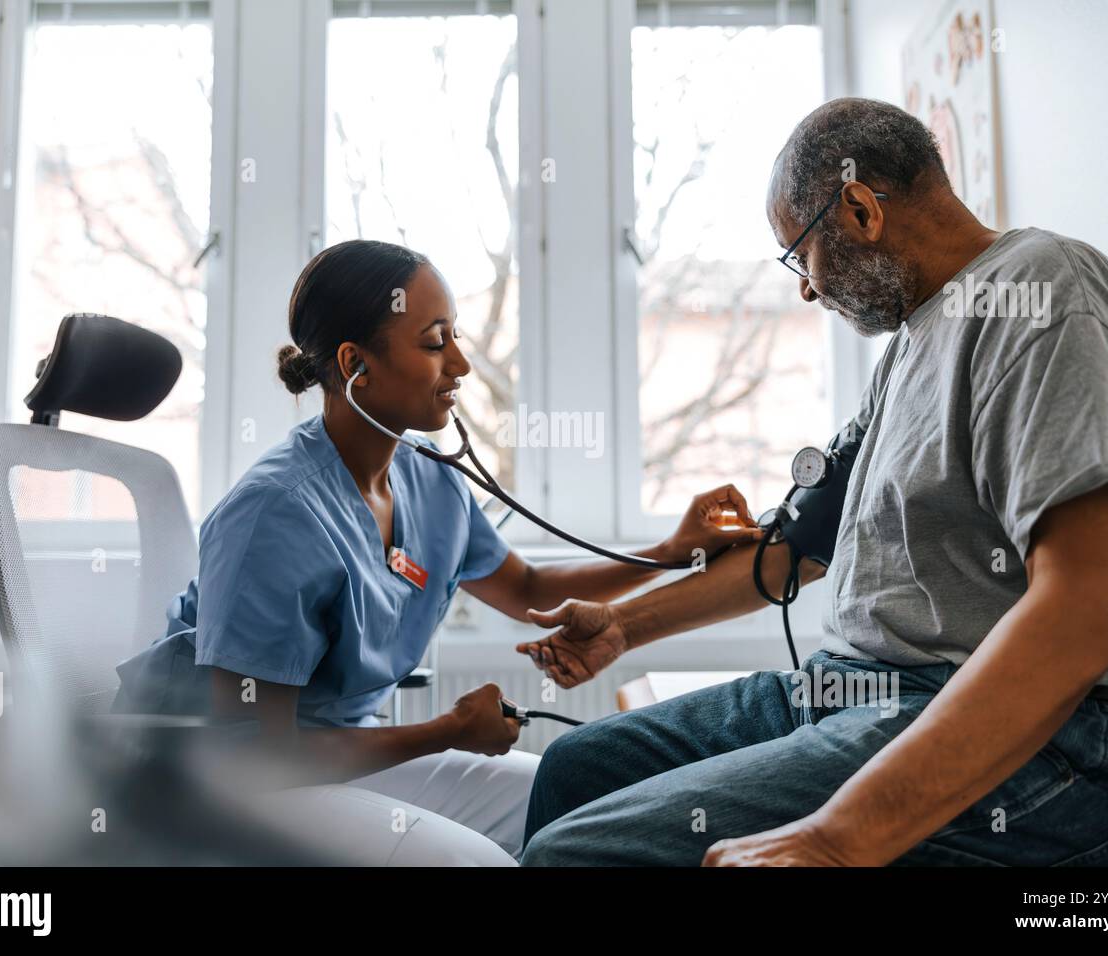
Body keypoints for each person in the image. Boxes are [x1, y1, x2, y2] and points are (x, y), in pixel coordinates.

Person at [516, 97, 1108, 867]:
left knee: (581, 856)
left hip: (1083, 742)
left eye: (798, 255)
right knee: (577, 772)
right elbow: (798, 548)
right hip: (855, 693)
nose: (805, 290)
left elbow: (1091, 613)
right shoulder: (912, 343)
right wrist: (623, 627)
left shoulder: (1041, 298)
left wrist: (836, 841)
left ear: (860, 209)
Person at [112, 238, 760, 863]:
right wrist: (449, 730)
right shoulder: (274, 514)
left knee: (584, 806)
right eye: (433, 343)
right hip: (225, 782)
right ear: (354, 365)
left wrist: (673, 551)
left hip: (339, 760)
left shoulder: (430, 478)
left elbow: (527, 589)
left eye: (455, 337)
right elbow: (262, 754)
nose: (461, 365)